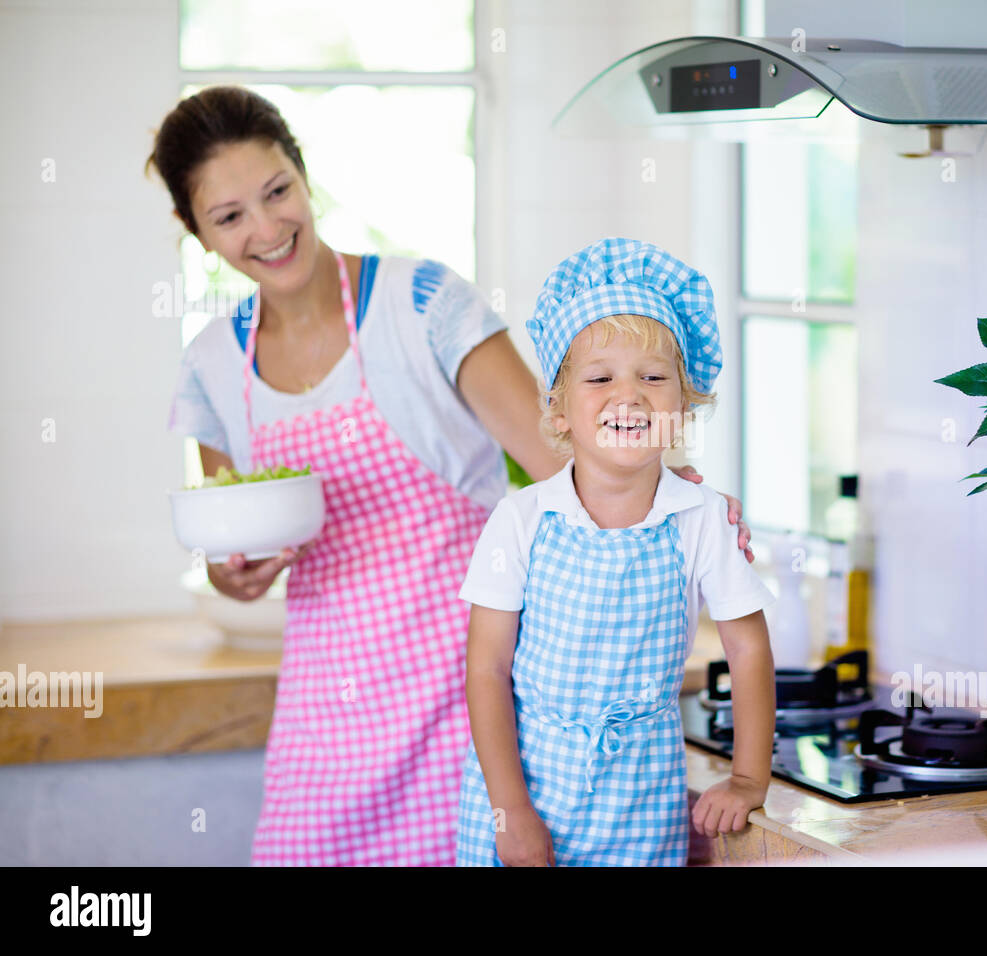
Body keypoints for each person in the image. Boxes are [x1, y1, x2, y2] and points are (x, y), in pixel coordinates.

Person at [148, 86, 754, 866]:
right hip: (326, 711)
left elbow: (562, 457)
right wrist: (240, 576)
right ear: (195, 233)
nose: (267, 229)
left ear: (302, 175)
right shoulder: (211, 365)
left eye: (277, 192)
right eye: (229, 216)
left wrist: (680, 497)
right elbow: (233, 555)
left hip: (471, 689)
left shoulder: (419, 302)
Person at [454, 238, 777, 867]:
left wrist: (748, 778)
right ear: (559, 407)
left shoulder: (703, 518)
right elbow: (486, 670)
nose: (628, 396)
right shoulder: (521, 519)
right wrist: (511, 811)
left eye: (654, 379)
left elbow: (749, 649)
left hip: (641, 796)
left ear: (682, 405)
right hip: (522, 790)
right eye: (600, 378)